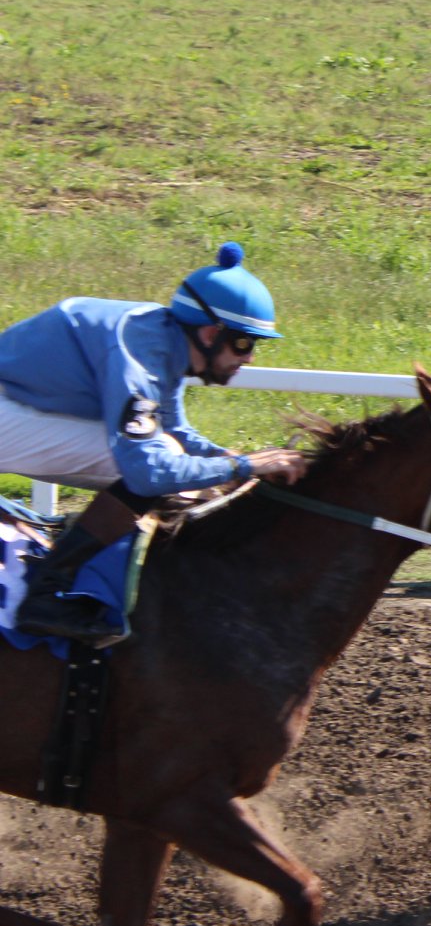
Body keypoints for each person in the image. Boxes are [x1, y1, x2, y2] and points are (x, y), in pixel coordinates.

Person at [0, 242, 309, 646]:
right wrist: (243, 467)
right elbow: (148, 471)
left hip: (16, 406)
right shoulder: (139, 353)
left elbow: (176, 430)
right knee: (153, 469)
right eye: (244, 344)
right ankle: (44, 595)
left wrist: (226, 457)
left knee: (174, 461)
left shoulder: (162, 340)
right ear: (212, 333)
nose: (248, 358)